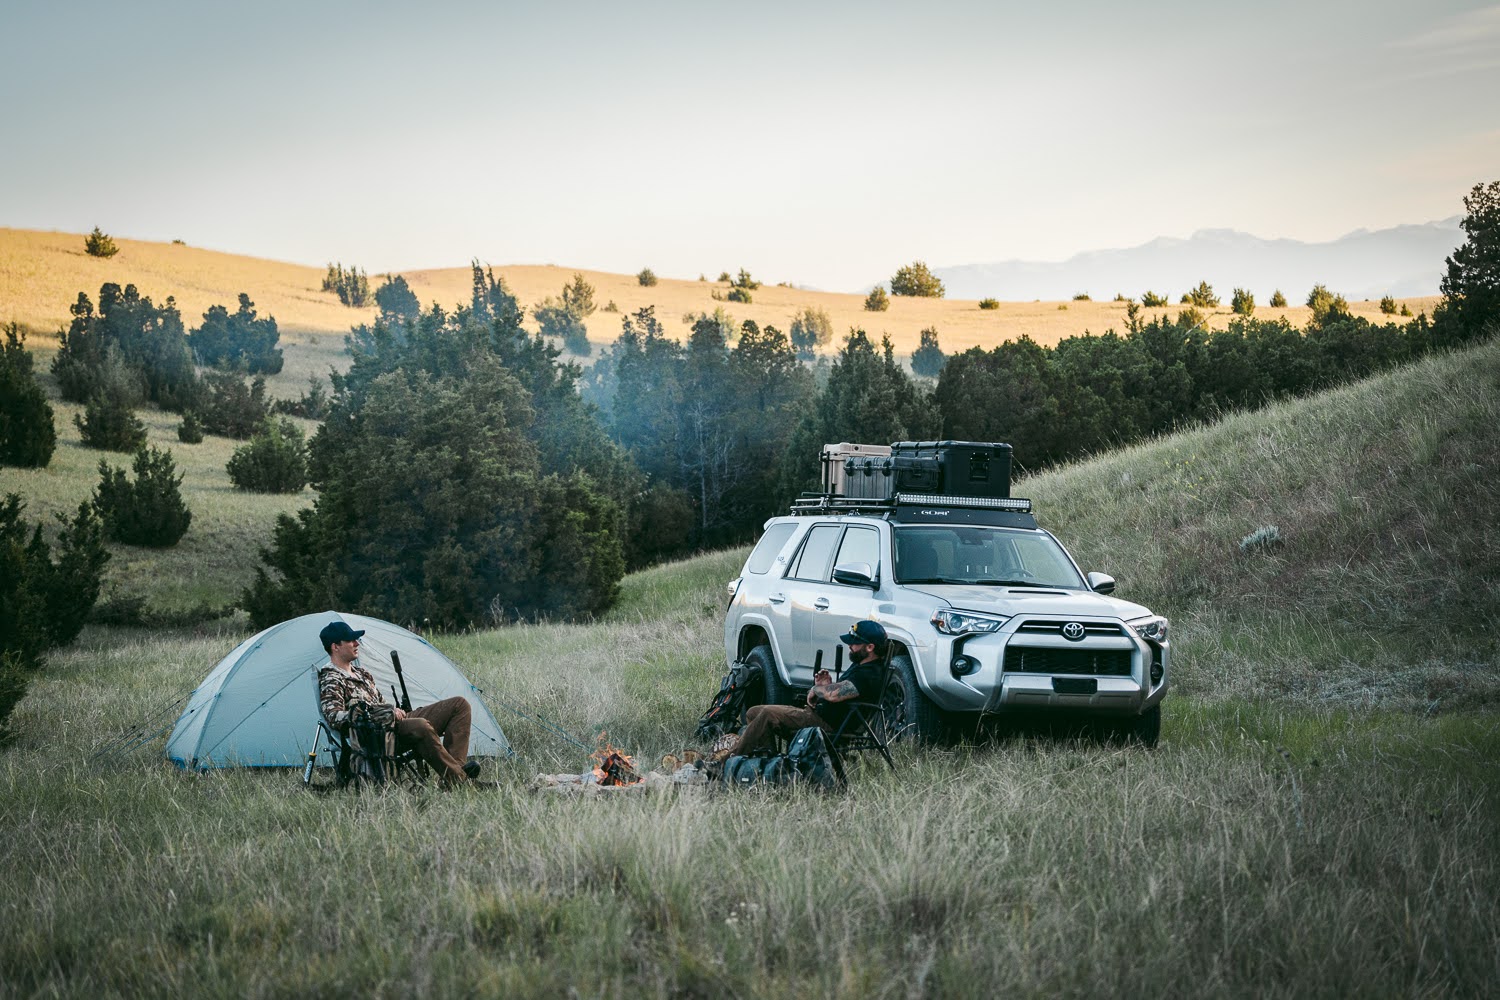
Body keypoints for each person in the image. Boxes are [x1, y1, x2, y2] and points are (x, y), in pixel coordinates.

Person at [316, 620, 479, 786]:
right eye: (350, 640)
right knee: (420, 726)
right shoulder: (331, 678)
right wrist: (382, 713)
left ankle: (456, 773)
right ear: (335, 647)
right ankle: (461, 781)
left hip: (393, 723)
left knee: (459, 705)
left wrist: (393, 710)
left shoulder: (362, 673)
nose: (356, 643)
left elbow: (381, 702)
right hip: (377, 736)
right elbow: (334, 717)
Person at [726, 620, 890, 756]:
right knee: (753, 712)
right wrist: (824, 686)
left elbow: (834, 695)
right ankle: (769, 761)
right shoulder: (861, 665)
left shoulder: (871, 674)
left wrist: (815, 690)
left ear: (870, 647)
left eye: (855, 642)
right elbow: (838, 692)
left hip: (826, 725)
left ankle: (728, 761)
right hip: (817, 715)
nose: (849, 646)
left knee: (767, 714)